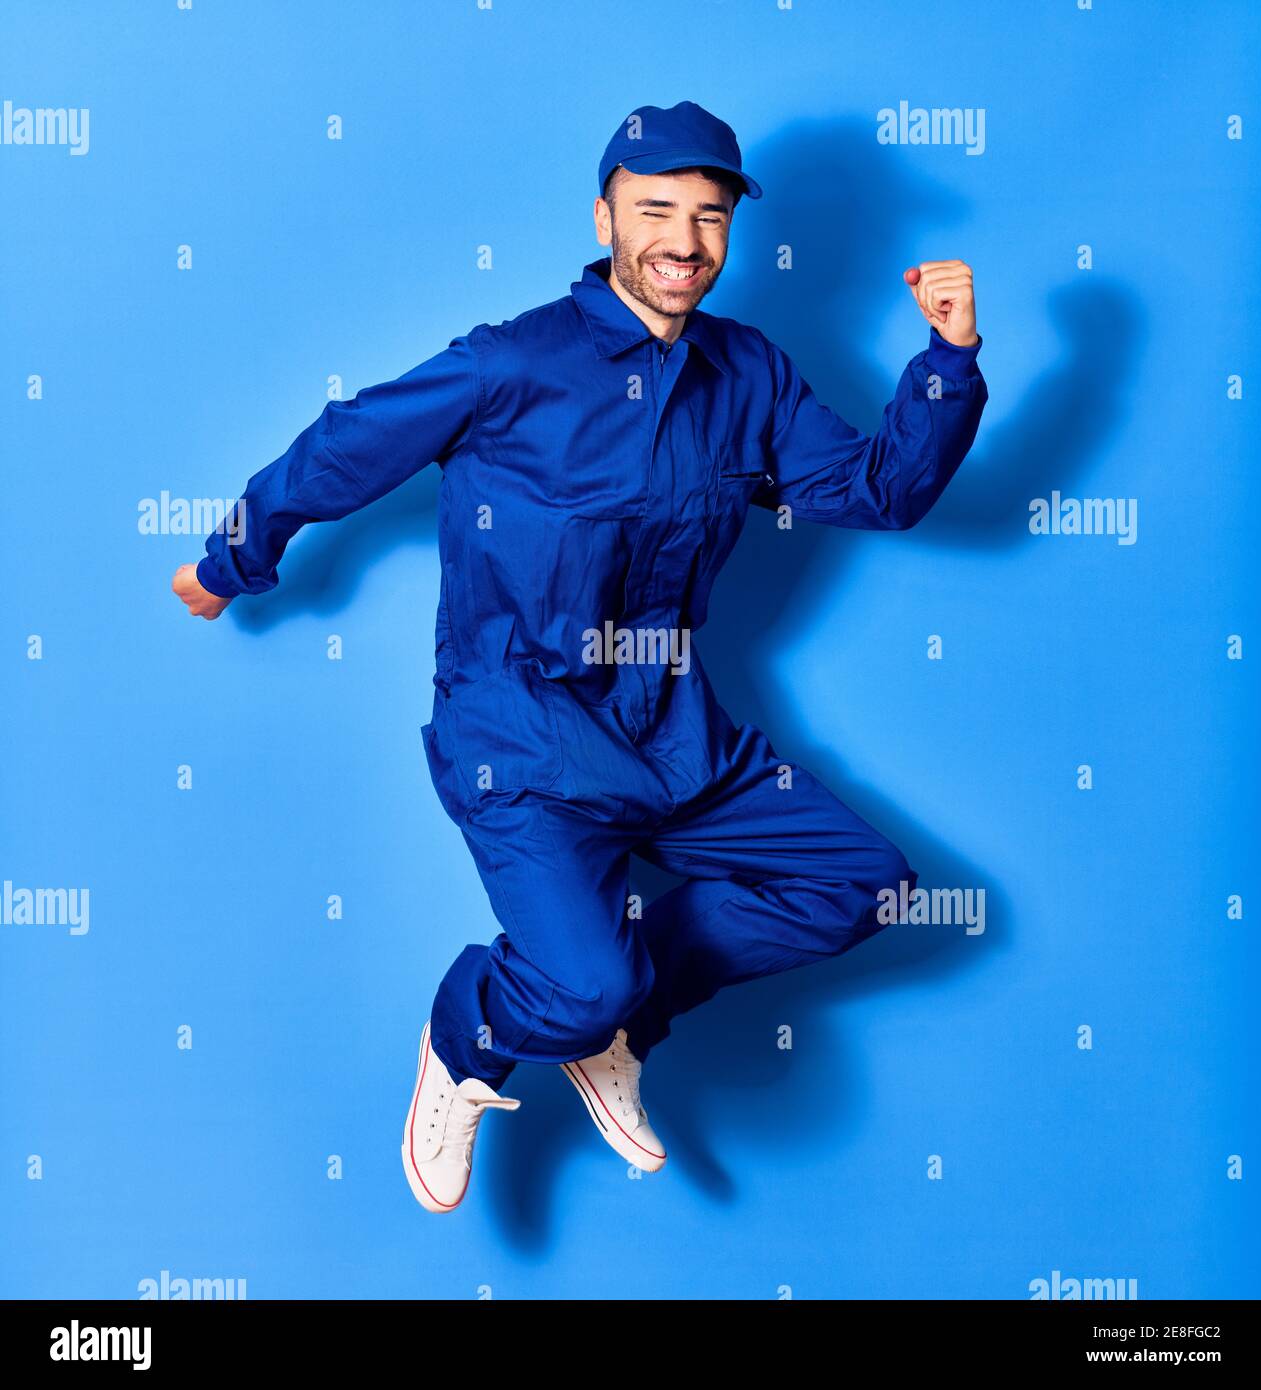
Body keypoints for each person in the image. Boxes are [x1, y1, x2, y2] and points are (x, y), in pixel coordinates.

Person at [173, 100, 988, 1214]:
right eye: (655, 209)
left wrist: (946, 361)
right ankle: (470, 1032)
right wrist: (232, 555)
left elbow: (877, 492)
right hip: (522, 743)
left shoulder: (747, 374)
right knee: (573, 980)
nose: (683, 242)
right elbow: (347, 443)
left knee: (863, 883)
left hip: (678, 739)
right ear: (603, 212)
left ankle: (619, 1026)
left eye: (708, 218)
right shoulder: (510, 365)